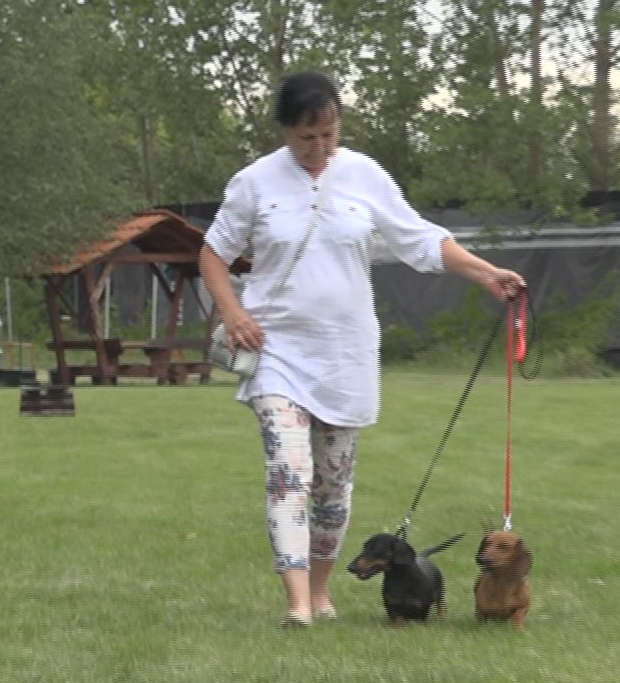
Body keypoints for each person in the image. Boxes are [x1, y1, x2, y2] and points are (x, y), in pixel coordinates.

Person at [197, 70, 525, 627]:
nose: (319, 149)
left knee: (332, 485)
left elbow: (420, 237)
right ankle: (297, 603)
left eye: (328, 135)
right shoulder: (254, 182)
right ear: (283, 130)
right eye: (306, 138)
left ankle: (323, 591)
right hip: (276, 348)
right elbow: (212, 254)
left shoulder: (364, 175)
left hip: (345, 355)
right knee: (288, 472)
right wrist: (233, 314)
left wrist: (484, 272)